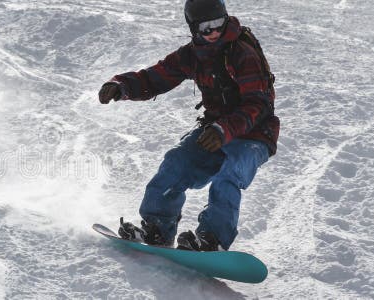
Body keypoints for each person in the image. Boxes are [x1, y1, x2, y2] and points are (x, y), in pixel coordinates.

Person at [97, 0, 280, 251]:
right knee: (177, 161)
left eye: (219, 24)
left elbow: (258, 105)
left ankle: (212, 239)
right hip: (216, 131)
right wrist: (122, 86)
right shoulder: (192, 55)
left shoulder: (242, 53)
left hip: (254, 135)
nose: (214, 32)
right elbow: (156, 77)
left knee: (229, 174)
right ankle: (157, 228)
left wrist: (224, 130)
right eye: (206, 28)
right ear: (194, 29)